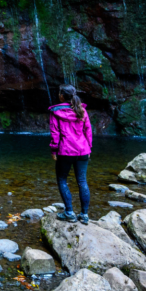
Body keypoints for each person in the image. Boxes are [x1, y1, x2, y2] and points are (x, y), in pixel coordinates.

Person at [49, 84, 93, 224]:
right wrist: (89, 148)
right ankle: (84, 215)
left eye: (59, 93)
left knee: (62, 179)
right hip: (83, 150)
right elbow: (88, 131)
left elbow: (55, 134)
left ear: (62, 96)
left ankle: (69, 212)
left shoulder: (56, 112)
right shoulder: (82, 110)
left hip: (65, 151)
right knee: (82, 181)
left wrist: (54, 150)